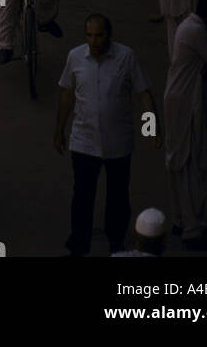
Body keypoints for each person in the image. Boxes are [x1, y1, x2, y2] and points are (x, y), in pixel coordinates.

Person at [54, 14, 159, 256]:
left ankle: (116, 241)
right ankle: (80, 242)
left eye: (99, 35)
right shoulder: (75, 57)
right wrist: (59, 130)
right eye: (89, 35)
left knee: (118, 198)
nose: (94, 41)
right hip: (83, 140)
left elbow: (143, 92)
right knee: (82, 196)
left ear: (109, 35)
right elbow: (67, 95)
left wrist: (154, 126)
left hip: (118, 143)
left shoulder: (126, 57)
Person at [163, 0, 207, 249]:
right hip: (184, 103)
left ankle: (181, 217)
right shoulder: (197, 31)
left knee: (178, 160)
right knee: (187, 161)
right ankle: (192, 228)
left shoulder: (187, 25)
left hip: (178, 98)